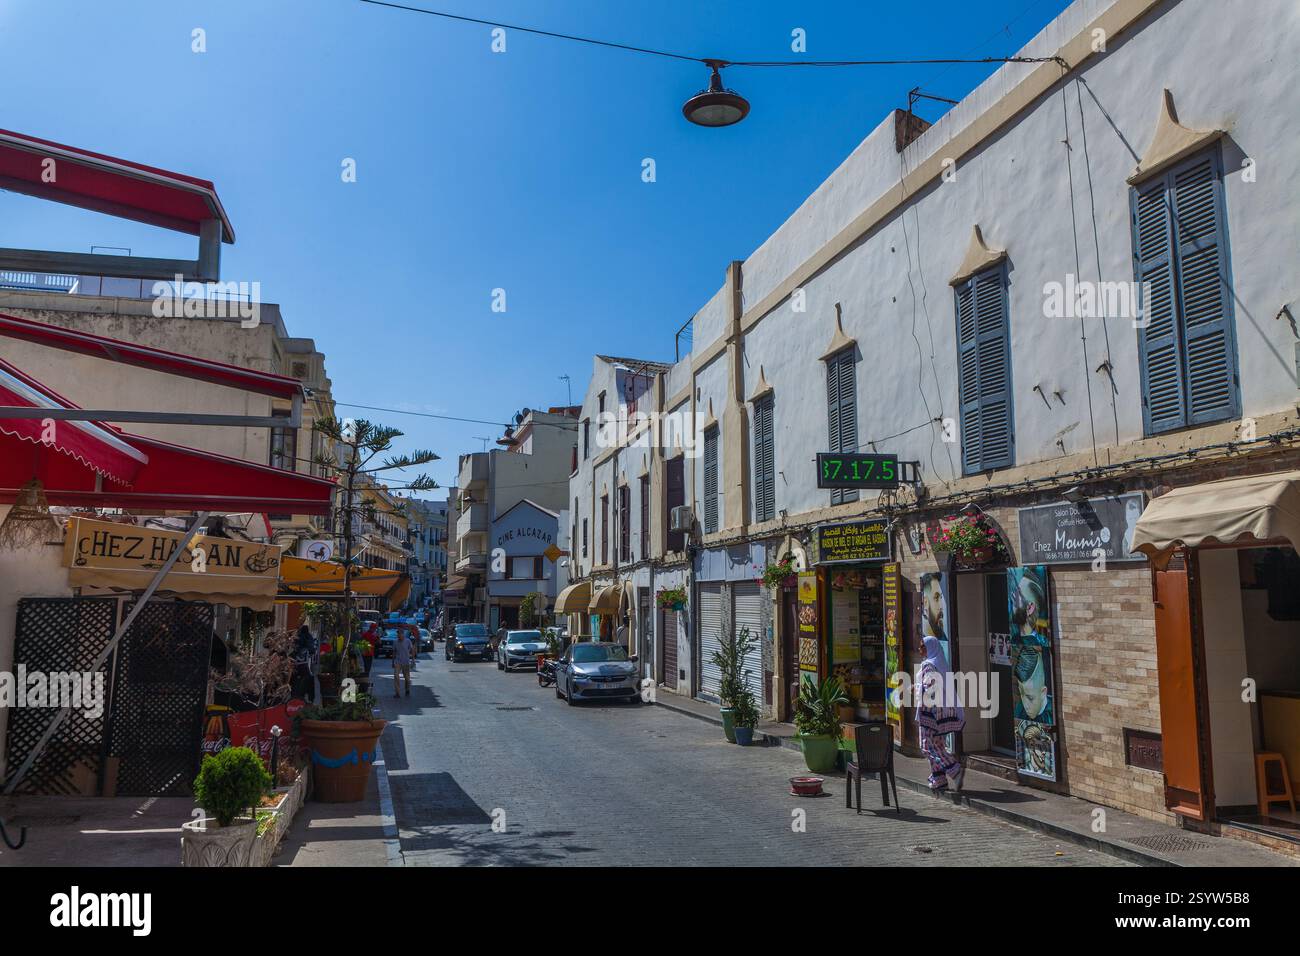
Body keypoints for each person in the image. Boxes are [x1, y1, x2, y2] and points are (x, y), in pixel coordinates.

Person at [916, 635, 964, 792]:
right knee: (937, 744)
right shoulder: (941, 662)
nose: (920, 649)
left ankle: (954, 769)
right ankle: (939, 780)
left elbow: (930, 686)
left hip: (930, 713)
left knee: (926, 746)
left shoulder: (929, 665)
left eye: (922, 646)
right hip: (943, 713)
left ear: (930, 647)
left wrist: (916, 689)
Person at [291, 623, 316, 703]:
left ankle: (294, 695)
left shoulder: (298, 637)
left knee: (294, 677)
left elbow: (294, 646)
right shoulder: (309, 637)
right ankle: (310, 697)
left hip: (296, 662)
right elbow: (312, 649)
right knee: (309, 678)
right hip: (303, 662)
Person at [393, 627, 414, 698]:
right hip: (398, 662)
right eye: (398, 634)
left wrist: (413, 660)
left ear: (403, 634)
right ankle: (397, 693)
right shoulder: (395, 642)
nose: (399, 636)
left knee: (407, 678)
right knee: (396, 676)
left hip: (406, 662)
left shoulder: (408, 641)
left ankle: (407, 689)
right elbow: (394, 652)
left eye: (400, 634)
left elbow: (412, 650)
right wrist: (392, 661)